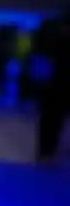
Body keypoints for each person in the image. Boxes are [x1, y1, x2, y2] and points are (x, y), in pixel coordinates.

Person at [36, 15, 70, 163]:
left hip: (53, 88)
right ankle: (48, 149)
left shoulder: (53, 44)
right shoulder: (57, 44)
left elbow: (43, 66)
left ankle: (45, 150)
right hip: (60, 88)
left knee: (50, 120)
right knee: (55, 120)